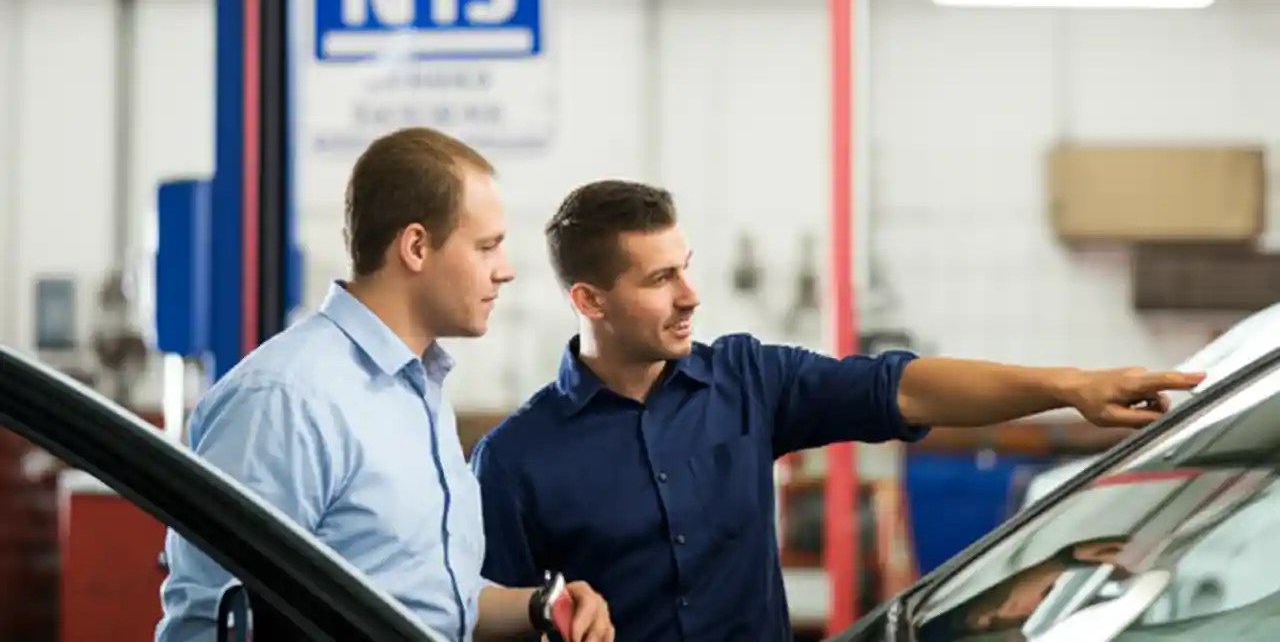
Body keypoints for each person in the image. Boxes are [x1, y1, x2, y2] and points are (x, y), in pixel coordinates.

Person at [469, 179, 1205, 641]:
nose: (690, 295)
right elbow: (487, 615)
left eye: (685, 267)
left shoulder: (749, 380)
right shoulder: (515, 459)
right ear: (589, 300)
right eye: (660, 279)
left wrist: (1068, 388)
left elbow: (905, 387)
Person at [157, 128, 614, 642]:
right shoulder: (286, 398)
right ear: (416, 247)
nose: (504, 271)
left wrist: (541, 605)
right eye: (487, 247)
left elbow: (431, 599)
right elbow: (210, 621)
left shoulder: (418, 390)